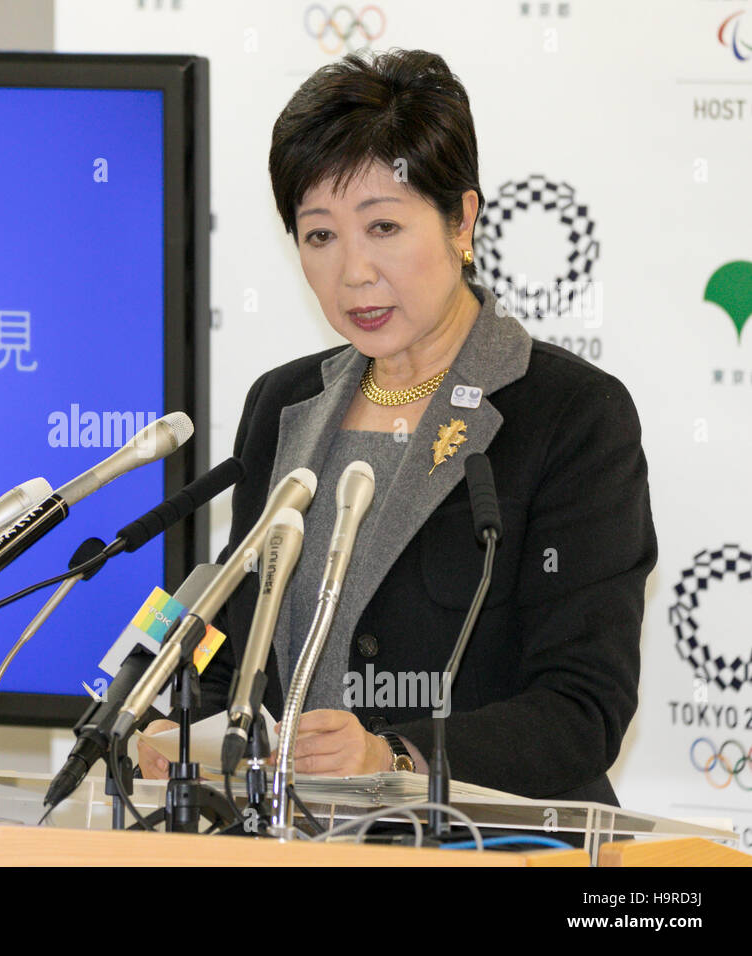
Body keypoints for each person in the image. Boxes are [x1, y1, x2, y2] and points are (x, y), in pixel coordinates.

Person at [137, 48, 656, 806]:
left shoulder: (570, 415)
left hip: (496, 844)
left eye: (383, 226)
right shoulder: (281, 405)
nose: (354, 272)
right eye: (320, 236)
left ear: (462, 222)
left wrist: (397, 757)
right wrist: (164, 724)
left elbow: (583, 707)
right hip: (298, 840)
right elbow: (232, 647)